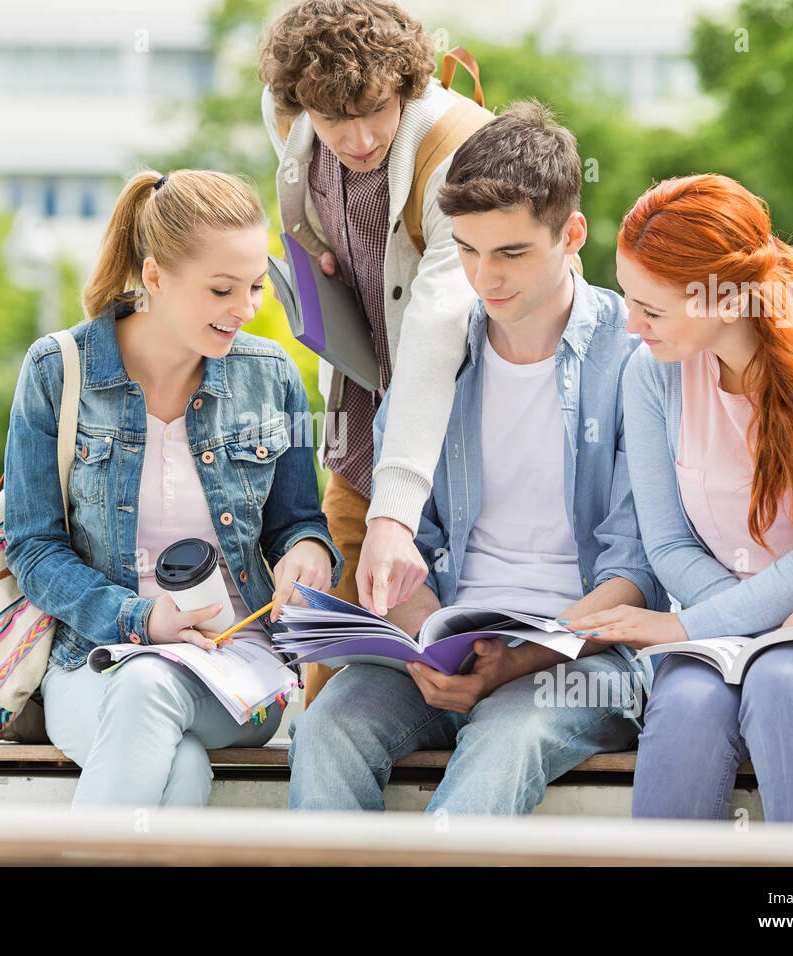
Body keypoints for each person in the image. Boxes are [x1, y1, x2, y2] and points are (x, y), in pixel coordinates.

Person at [287, 101, 665, 815]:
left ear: (571, 234)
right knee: (328, 726)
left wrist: (517, 662)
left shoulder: (635, 357)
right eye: (466, 250)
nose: (485, 278)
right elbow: (411, 543)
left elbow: (636, 568)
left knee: (505, 739)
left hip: (583, 659)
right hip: (447, 648)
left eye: (512, 253)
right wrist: (432, 647)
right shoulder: (438, 352)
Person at [563, 172, 793, 824]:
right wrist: (757, 622)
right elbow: (671, 544)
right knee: (685, 704)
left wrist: (685, 627)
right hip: (733, 635)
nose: (632, 324)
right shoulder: (651, 373)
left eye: (652, 309)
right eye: (629, 299)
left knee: (789, 685)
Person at [2, 169, 342, 809]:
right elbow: (33, 549)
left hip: (238, 667)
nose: (245, 309)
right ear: (154, 278)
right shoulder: (57, 370)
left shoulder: (271, 376)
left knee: (149, 690)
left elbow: (299, 521)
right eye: (221, 290)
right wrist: (140, 619)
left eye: (256, 287)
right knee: (177, 763)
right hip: (94, 660)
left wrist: (310, 552)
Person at [257, 0, 484, 702]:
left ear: (409, 84)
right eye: (333, 121)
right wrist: (322, 251)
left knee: (461, 661)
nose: (357, 140)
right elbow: (313, 207)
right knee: (329, 662)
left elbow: (438, 328)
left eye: (376, 111)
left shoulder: (461, 151)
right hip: (360, 416)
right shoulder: (286, 112)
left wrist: (396, 508)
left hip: (466, 421)